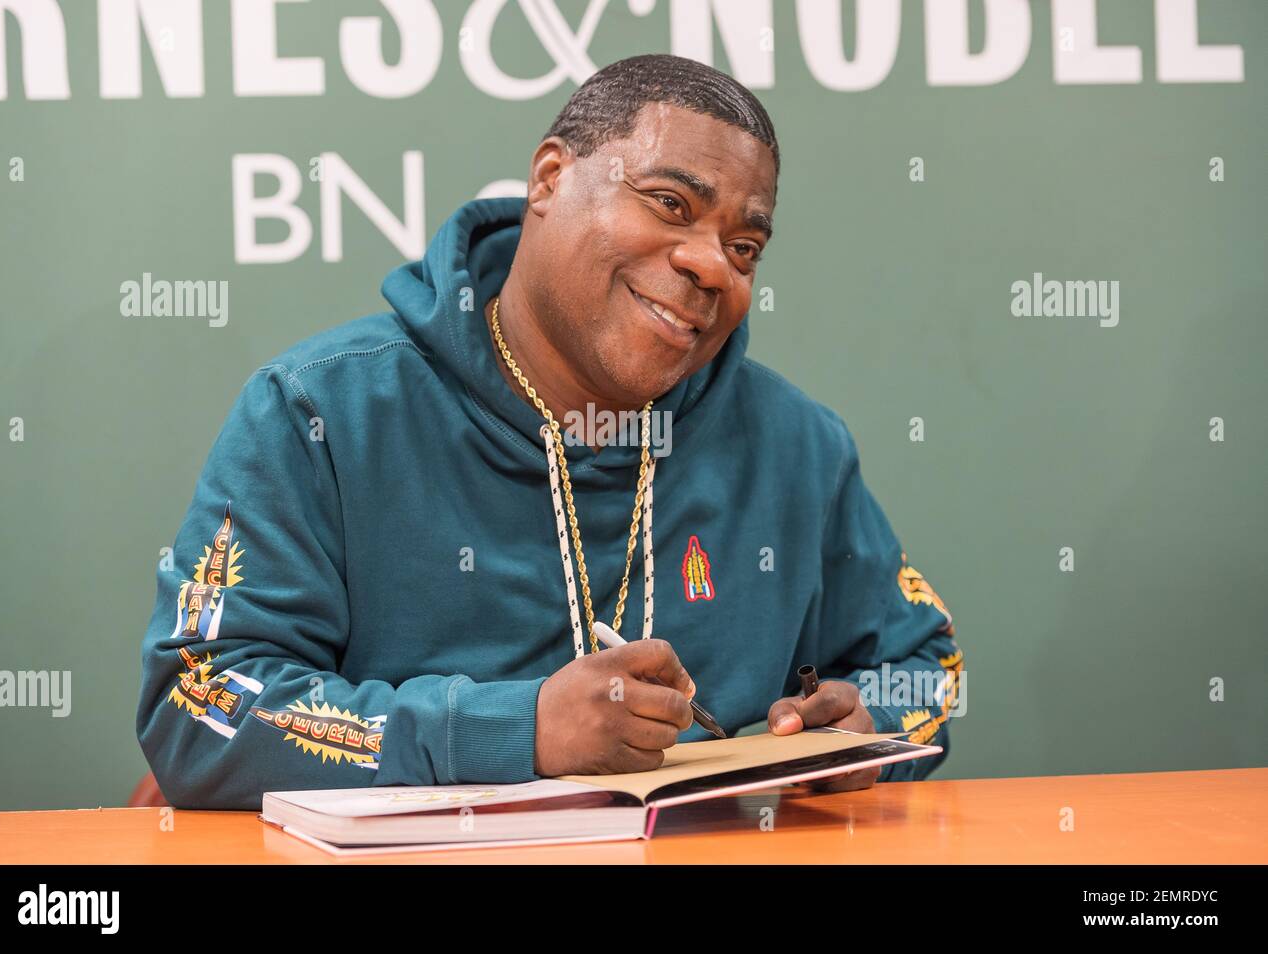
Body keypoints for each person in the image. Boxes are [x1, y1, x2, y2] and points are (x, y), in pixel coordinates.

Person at [136, 54, 963, 811]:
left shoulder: (796, 448)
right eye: (671, 204)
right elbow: (200, 701)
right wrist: (517, 728)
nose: (712, 264)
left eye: (743, 247)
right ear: (550, 178)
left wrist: (868, 734)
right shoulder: (322, 412)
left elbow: (929, 670)